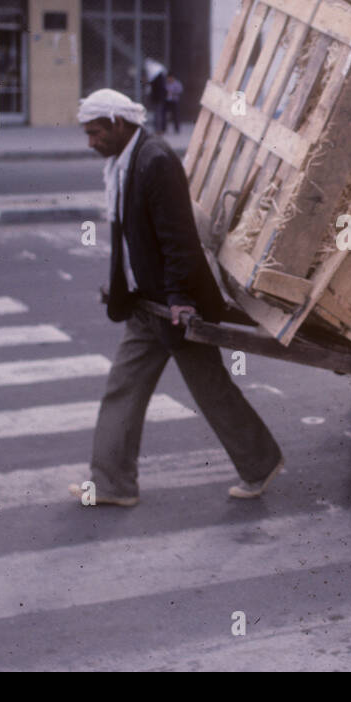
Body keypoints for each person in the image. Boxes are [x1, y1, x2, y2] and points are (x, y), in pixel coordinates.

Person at [68, 88, 283, 506]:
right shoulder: (124, 162)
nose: (90, 142)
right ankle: (112, 483)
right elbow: (132, 240)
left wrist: (180, 299)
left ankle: (259, 462)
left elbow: (177, 237)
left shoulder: (155, 160)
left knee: (209, 388)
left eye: (95, 133)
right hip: (146, 303)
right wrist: (121, 285)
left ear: (118, 123)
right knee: (124, 387)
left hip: (172, 305)